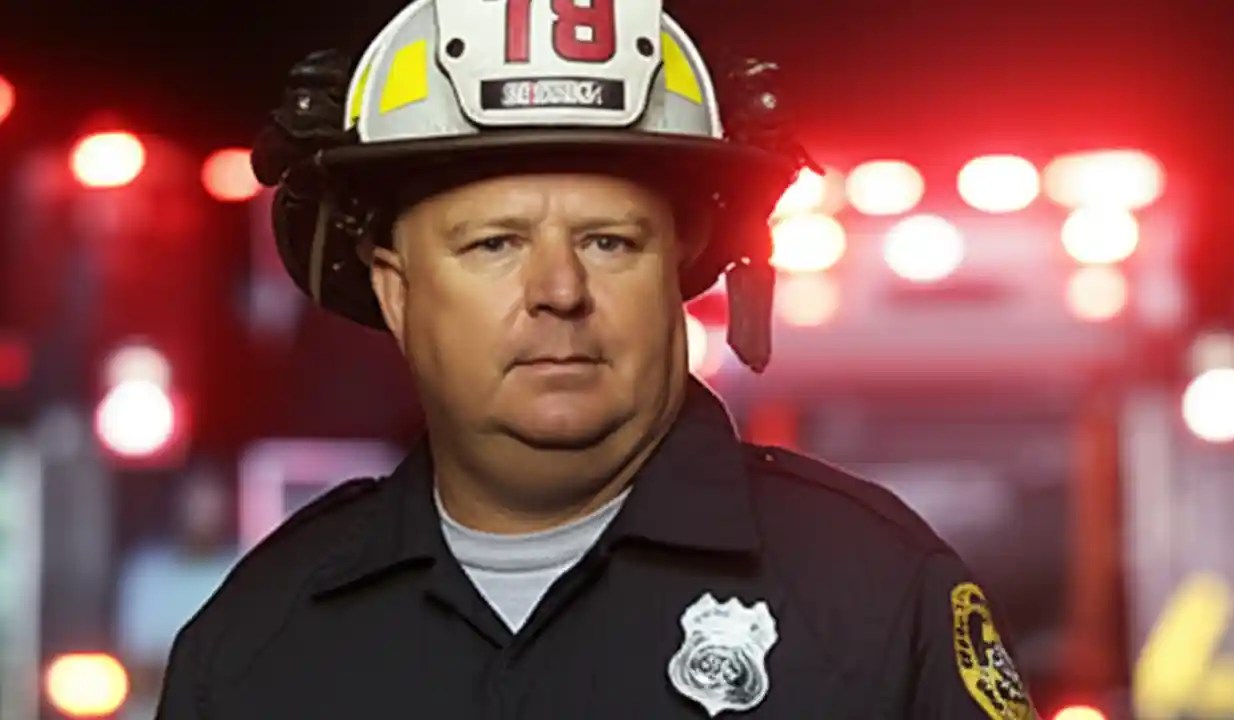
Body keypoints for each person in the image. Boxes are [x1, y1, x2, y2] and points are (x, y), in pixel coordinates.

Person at [158, 1, 1036, 717]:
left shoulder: (875, 597)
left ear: (681, 273)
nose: (559, 290)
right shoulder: (260, 642)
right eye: (495, 244)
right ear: (396, 290)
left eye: (610, 242)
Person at [116, 463, 239, 720]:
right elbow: (137, 668)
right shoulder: (147, 573)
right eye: (194, 502)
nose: (202, 513)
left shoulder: (242, 571)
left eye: (210, 503)